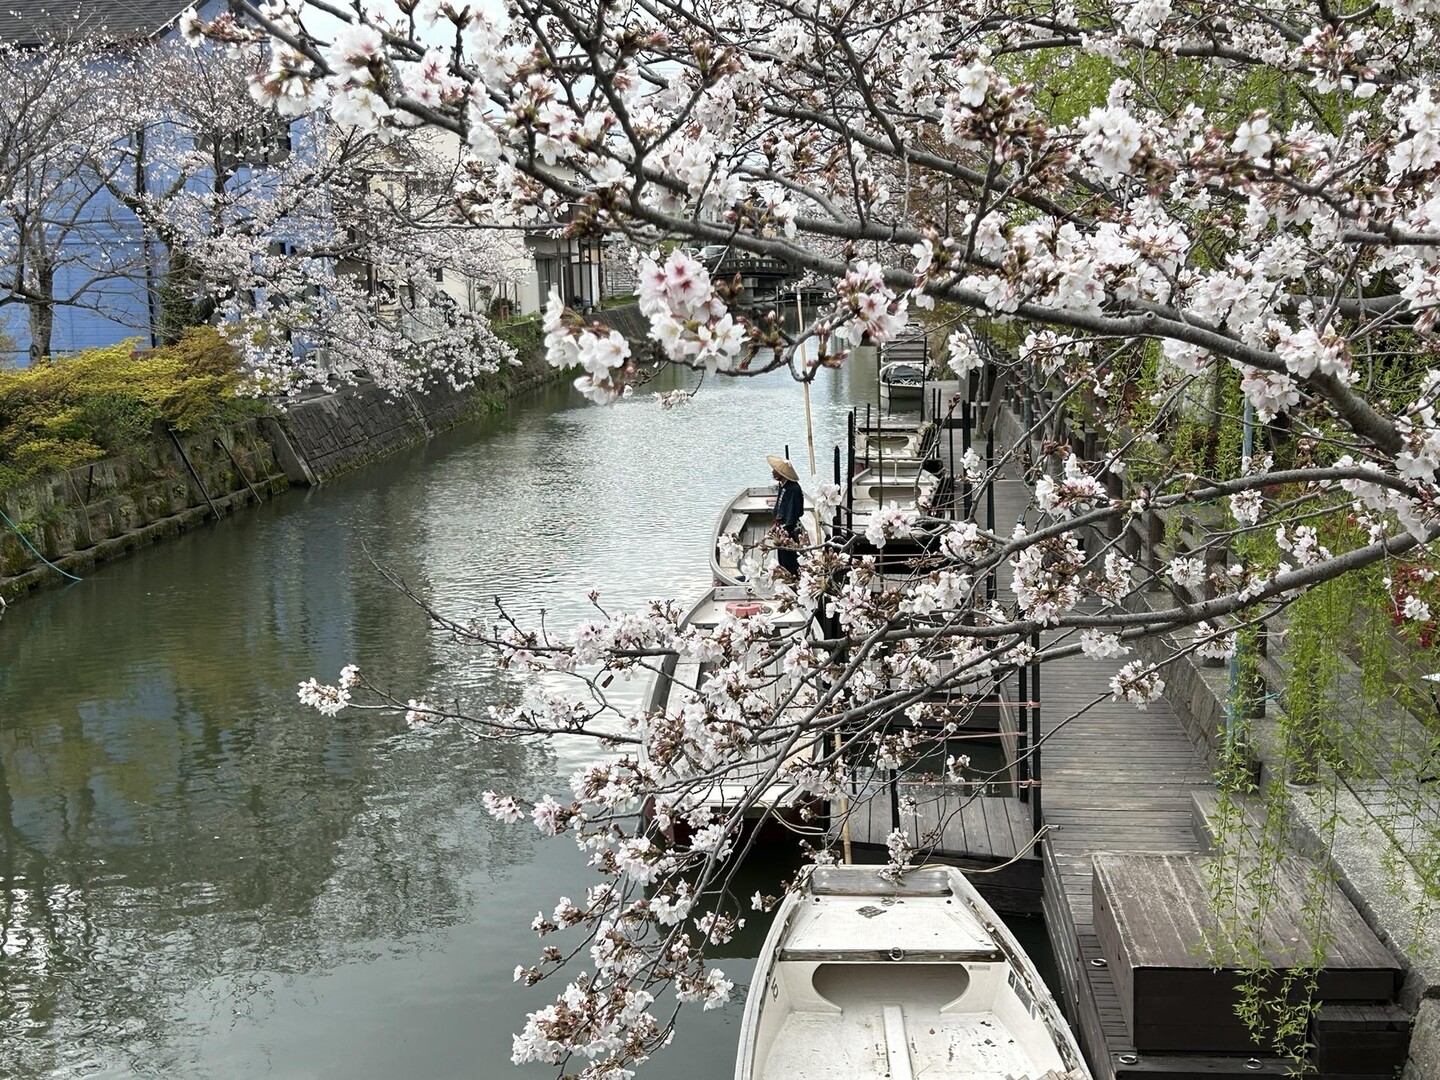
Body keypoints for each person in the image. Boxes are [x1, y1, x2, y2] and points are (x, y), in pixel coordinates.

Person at [766, 455, 804, 576]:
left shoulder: (793, 488)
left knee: (790, 557)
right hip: (782, 526)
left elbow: (792, 513)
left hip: (790, 528)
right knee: (782, 555)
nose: (773, 472)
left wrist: (784, 528)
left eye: (775, 470)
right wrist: (775, 527)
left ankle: (792, 577)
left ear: (782, 473)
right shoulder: (783, 485)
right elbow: (780, 508)